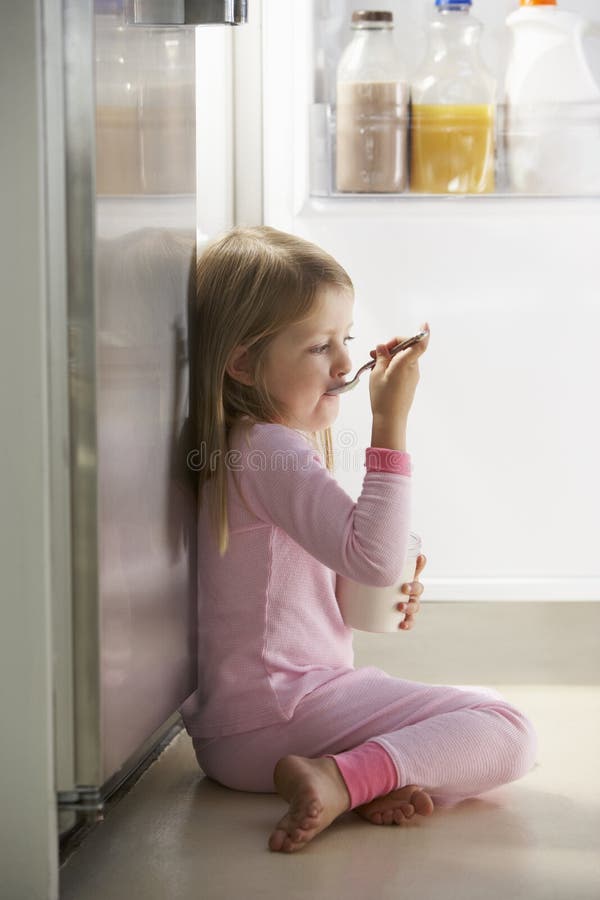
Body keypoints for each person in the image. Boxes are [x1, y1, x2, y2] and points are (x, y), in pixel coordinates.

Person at [181, 225, 537, 853]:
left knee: (464, 725)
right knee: (505, 726)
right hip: (285, 712)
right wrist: (389, 419)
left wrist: (367, 585)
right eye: (320, 346)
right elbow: (374, 560)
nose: (346, 364)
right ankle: (343, 779)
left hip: (237, 734)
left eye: (345, 340)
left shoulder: (242, 448)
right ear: (241, 362)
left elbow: (328, 583)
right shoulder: (270, 449)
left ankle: (365, 776)